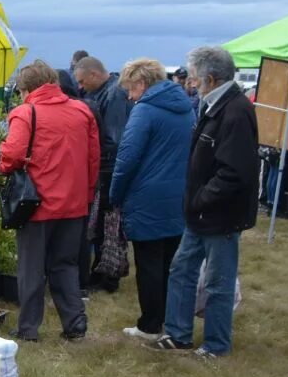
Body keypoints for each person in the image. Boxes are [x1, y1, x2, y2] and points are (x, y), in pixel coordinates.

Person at [151, 45, 260, 359]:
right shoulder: (215, 105)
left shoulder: (236, 110)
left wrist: (201, 198)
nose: (191, 83)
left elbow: (235, 171)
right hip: (200, 213)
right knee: (182, 270)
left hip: (220, 214)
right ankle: (179, 335)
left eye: (195, 79)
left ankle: (216, 344)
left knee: (218, 281)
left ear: (211, 78)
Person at [0, 60, 99, 342]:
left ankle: (28, 328)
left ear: (26, 88)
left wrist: (2, 165)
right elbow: (93, 158)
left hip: (36, 203)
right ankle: (75, 324)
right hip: (74, 203)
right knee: (65, 265)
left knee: (31, 268)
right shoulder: (82, 110)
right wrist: (87, 195)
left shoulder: (25, 112)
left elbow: (13, 154)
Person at [109, 58, 195, 342]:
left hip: (147, 197)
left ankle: (149, 325)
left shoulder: (145, 110)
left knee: (148, 265)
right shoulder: (186, 108)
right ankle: (172, 321)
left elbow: (127, 156)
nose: (130, 97)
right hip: (178, 195)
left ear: (141, 84)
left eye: (131, 90)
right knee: (171, 264)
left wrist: (115, 194)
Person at [74, 55, 131, 293]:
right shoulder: (102, 92)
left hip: (109, 169)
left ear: (94, 75)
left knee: (109, 226)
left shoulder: (114, 94)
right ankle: (101, 270)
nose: (80, 87)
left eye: (82, 81)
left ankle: (109, 275)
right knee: (99, 226)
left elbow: (113, 139)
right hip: (104, 168)